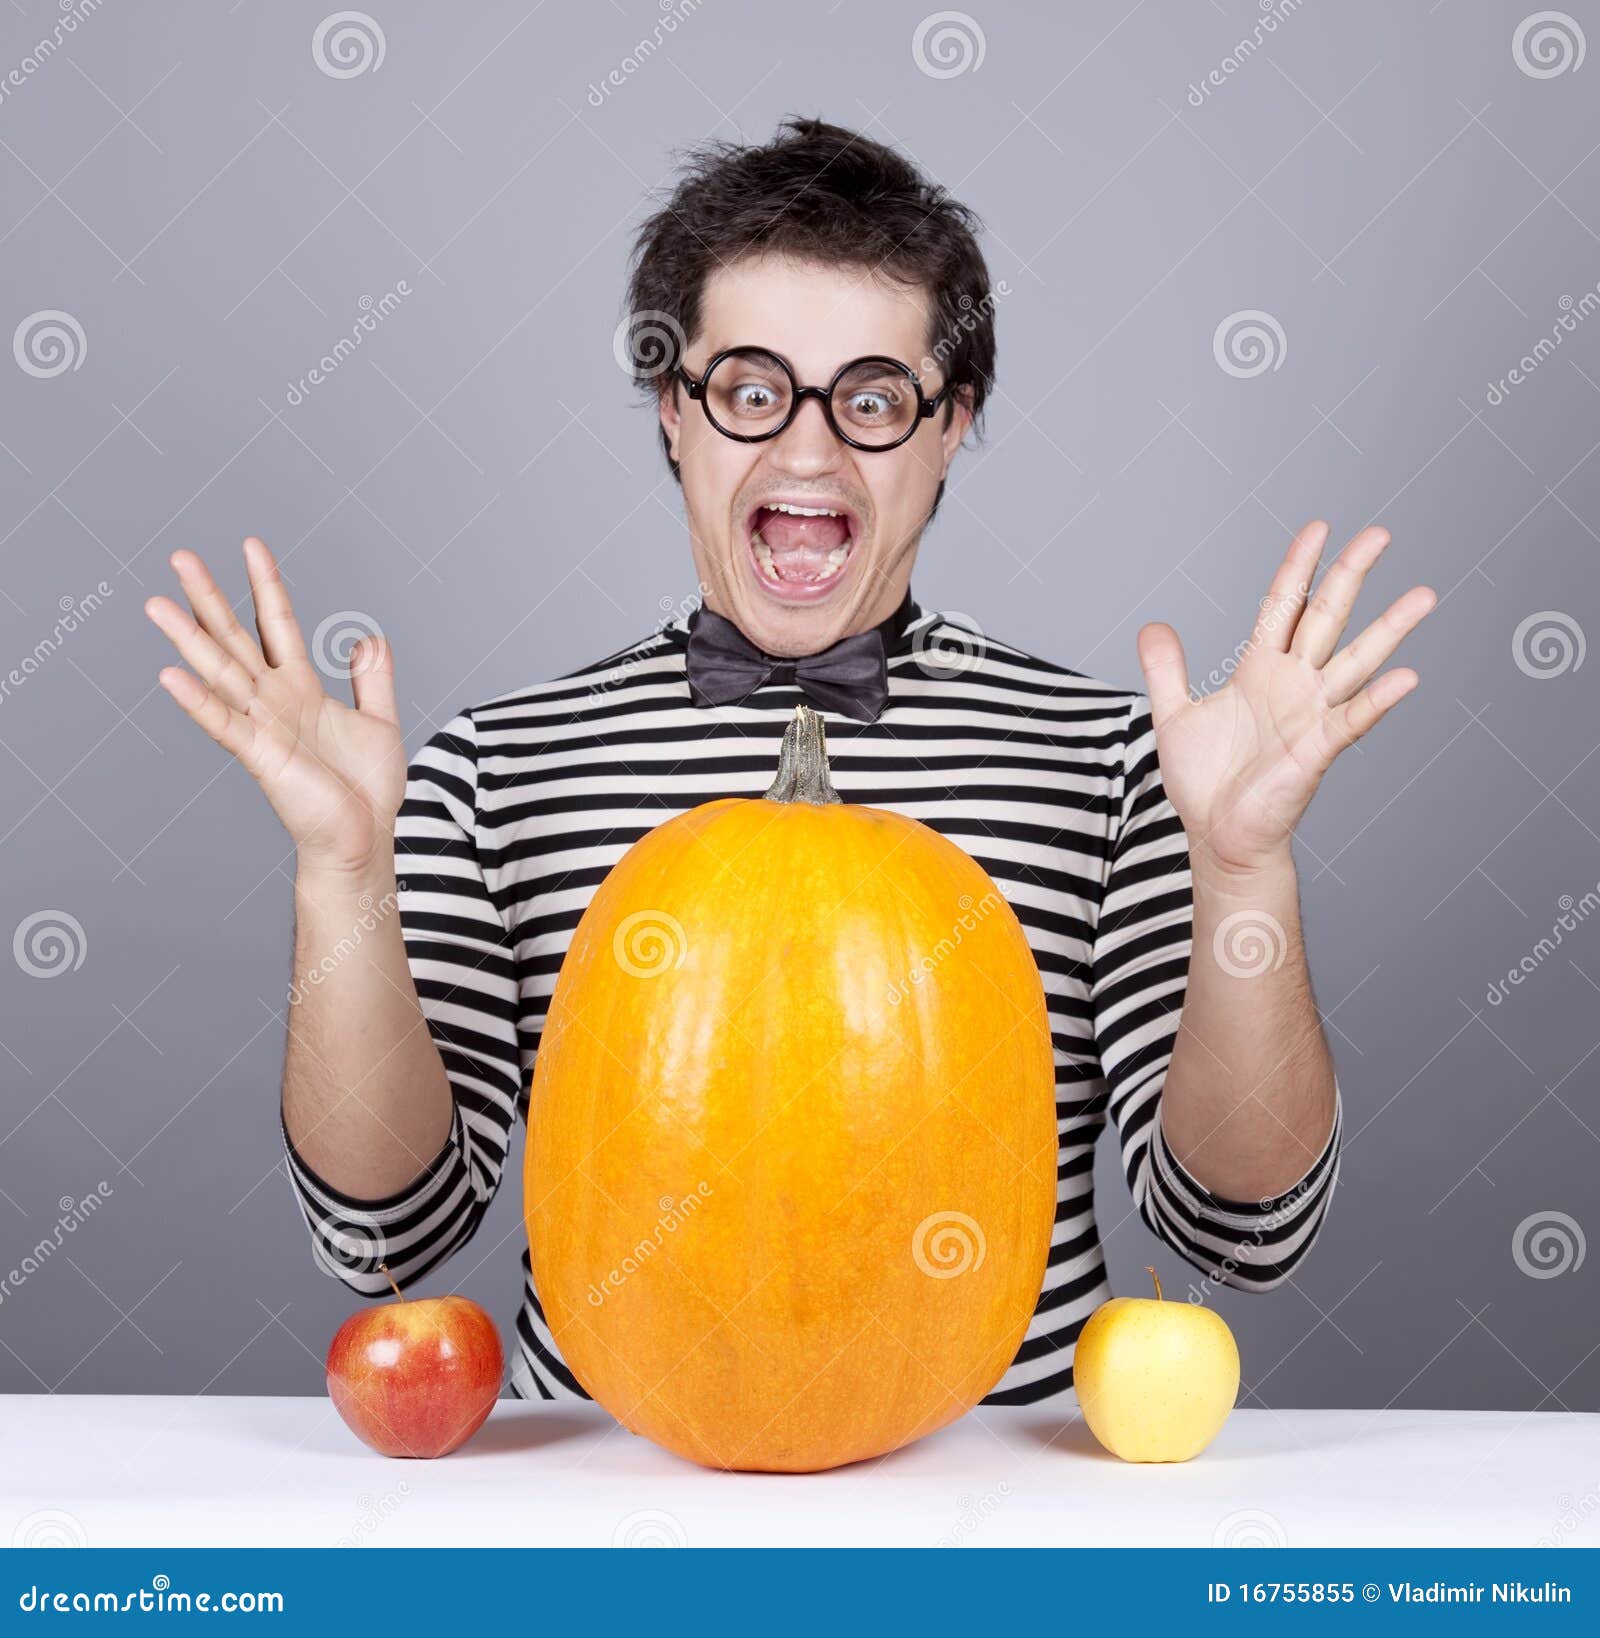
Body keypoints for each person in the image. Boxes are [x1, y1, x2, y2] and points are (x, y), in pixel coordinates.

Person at [144, 118, 1433, 1404]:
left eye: (872, 399)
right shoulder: (497, 766)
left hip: (990, 1519)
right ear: (674, 413)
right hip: (604, 1506)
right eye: (751, 391)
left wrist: (1247, 874)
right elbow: (387, 1235)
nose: (808, 450)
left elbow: (1240, 1235)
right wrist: (340, 875)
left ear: (950, 428)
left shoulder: (1113, 761)